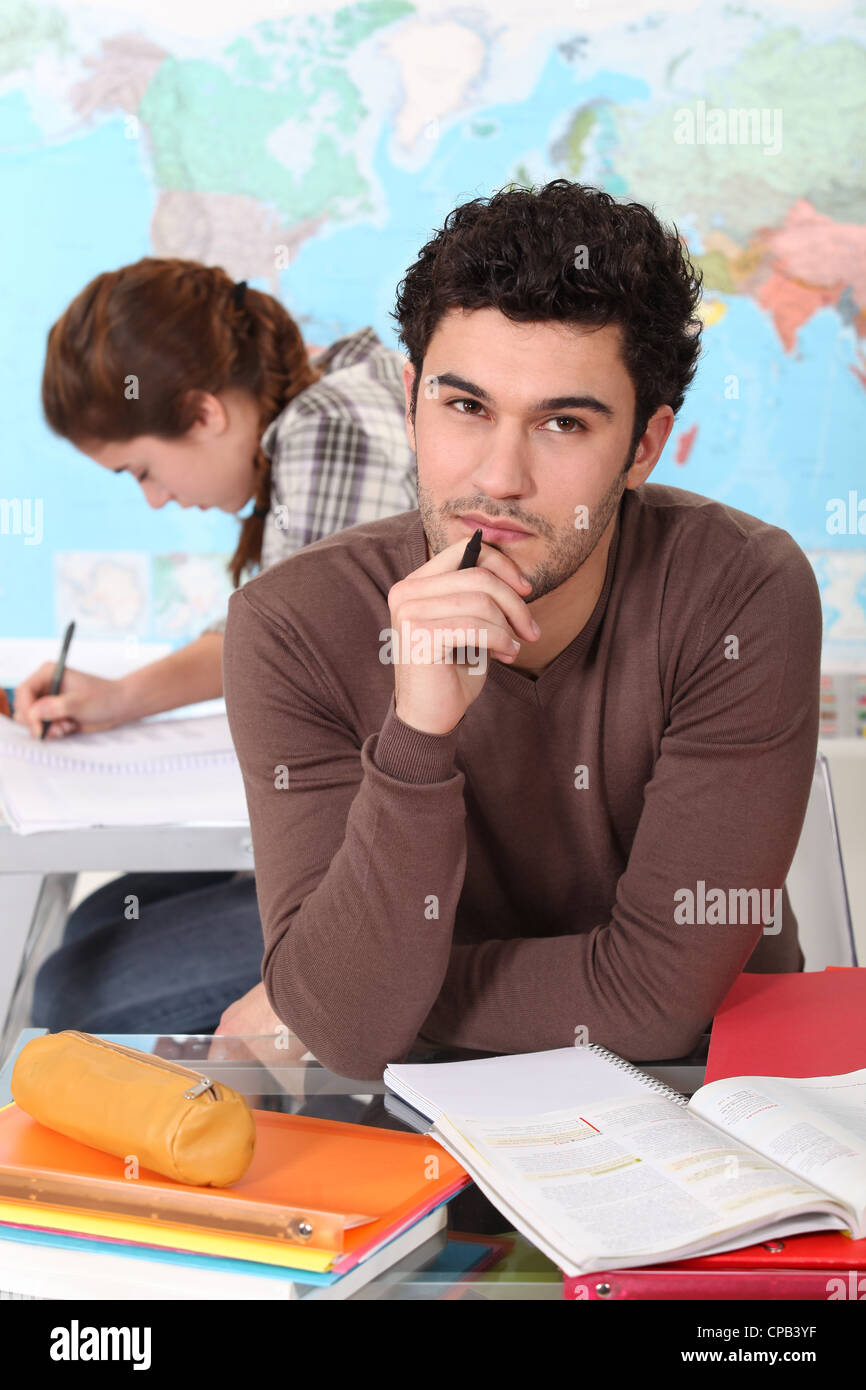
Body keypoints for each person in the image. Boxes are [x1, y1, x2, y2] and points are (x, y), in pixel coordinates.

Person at [221, 179, 822, 1076]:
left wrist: (359, 996)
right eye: (465, 408)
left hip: (704, 1096)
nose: (499, 477)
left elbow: (654, 1006)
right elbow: (346, 1031)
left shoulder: (742, 591)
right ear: (414, 398)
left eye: (564, 423)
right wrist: (419, 733)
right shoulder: (290, 625)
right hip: (428, 1106)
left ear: (644, 447)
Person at [15, 258, 417, 1034]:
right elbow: (273, 632)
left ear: (202, 415)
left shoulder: (326, 431)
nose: (158, 499)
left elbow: (291, 663)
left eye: (143, 471)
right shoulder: (322, 395)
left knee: (73, 991)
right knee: (96, 922)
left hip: (411, 872)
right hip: (369, 836)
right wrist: (122, 697)